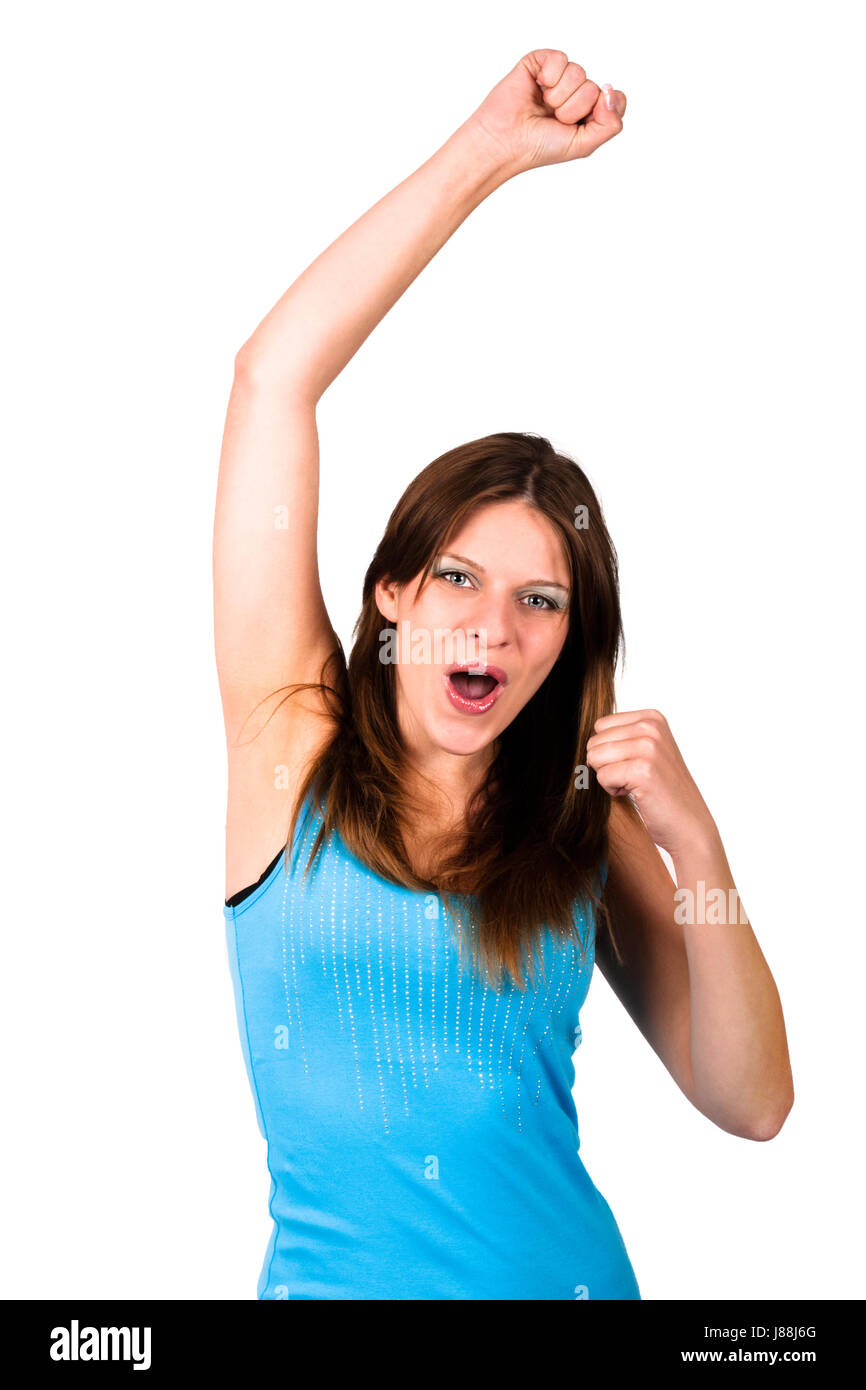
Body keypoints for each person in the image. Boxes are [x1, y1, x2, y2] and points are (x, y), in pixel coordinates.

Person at [213, 48, 794, 1301]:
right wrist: (485, 153)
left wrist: (695, 846)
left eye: (540, 601)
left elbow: (750, 1103)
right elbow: (272, 376)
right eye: (460, 580)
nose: (494, 625)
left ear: (566, 645)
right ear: (392, 595)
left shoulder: (574, 832)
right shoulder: (289, 745)